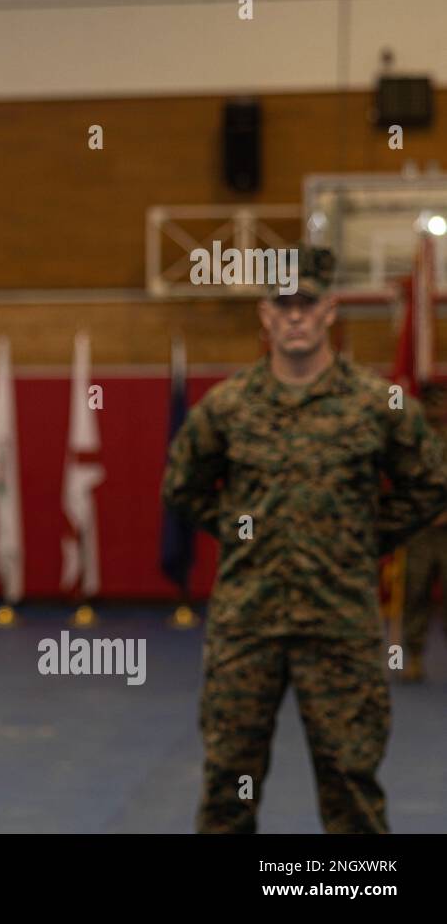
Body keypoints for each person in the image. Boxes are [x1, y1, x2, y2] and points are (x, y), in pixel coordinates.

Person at [161, 246, 447, 834]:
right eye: (283, 304)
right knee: (226, 786)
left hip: (339, 627)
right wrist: (247, 532)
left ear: (330, 310)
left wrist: (361, 537)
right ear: (265, 314)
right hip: (248, 626)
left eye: (307, 303)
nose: (295, 316)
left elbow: (431, 480)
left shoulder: (374, 405)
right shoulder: (229, 407)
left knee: (351, 786)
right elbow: (182, 487)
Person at [400, 381, 447, 682]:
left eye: (440, 402)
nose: (435, 409)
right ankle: (413, 656)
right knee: (414, 593)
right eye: (430, 403)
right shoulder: (411, 442)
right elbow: (401, 481)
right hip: (420, 531)